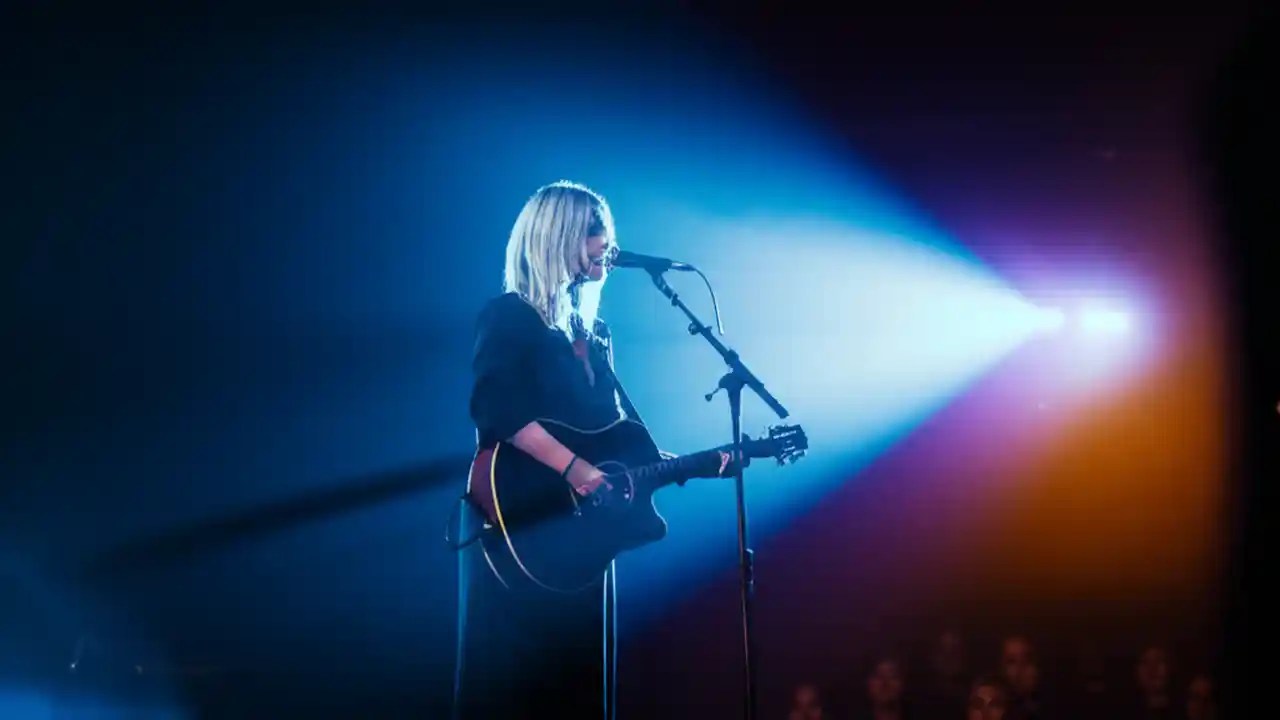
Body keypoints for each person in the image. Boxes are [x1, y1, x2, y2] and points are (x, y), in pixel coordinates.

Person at [452, 180, 658, 719]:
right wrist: (575, 469)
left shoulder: (592, 332)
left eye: (607, 231)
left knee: (580, 688)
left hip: (580, 533)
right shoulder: (509, 317)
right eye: (594, 230)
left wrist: (688, 465)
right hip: (517, 526)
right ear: (557, 235)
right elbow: (498, 411)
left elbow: (605, 433)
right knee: (513, 690)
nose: (606, 243)